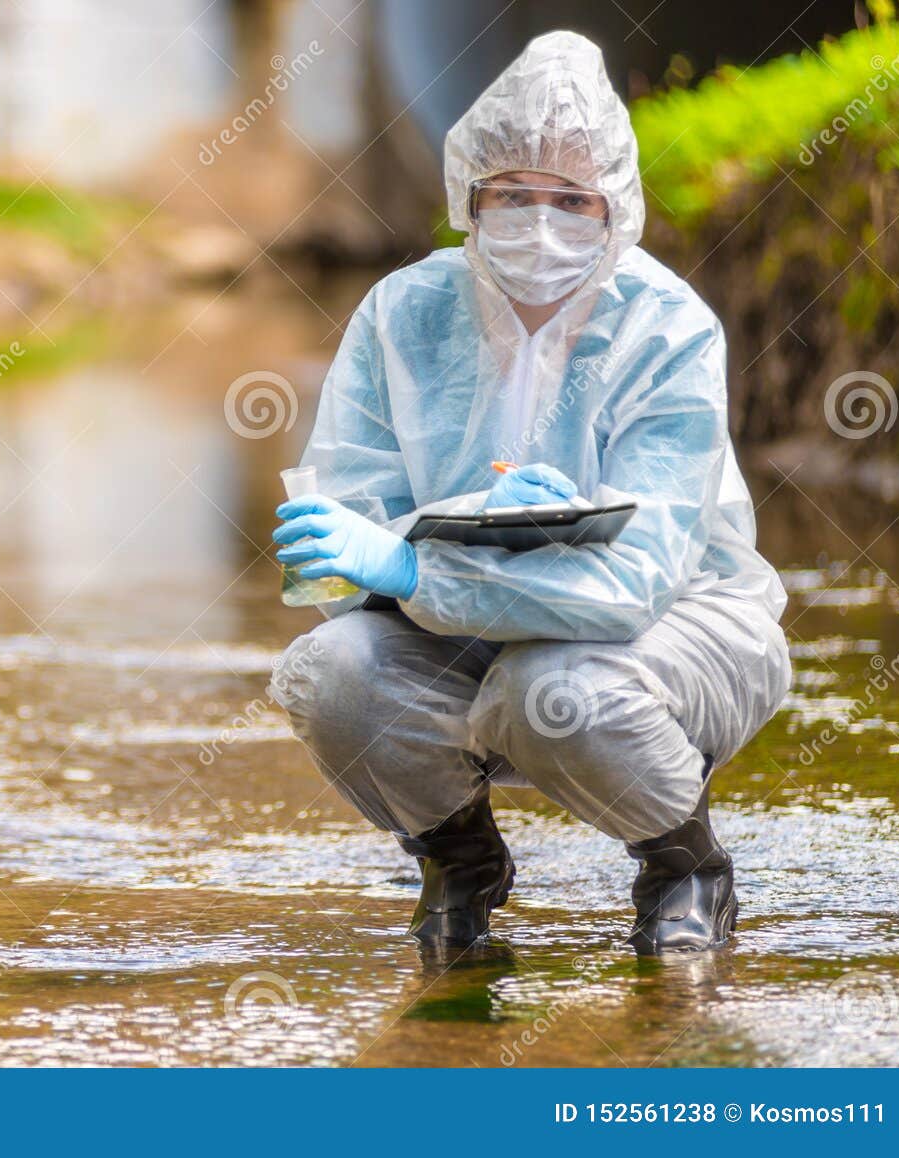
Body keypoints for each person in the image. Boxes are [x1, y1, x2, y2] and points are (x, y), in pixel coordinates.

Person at [267, 31, 791, 954]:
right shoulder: (402, 315)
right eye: (512, 193)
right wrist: (356, 555)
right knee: (335, 673)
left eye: (572, 199)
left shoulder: (668, 328)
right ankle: (458, 858)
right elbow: (353, 526)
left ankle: (684, 861)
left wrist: (422, 561)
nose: (540, 222)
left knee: (550, 685)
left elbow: (637, 583)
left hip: (669, 630)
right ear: (468, 198)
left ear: (615, 207)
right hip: (460, 636)